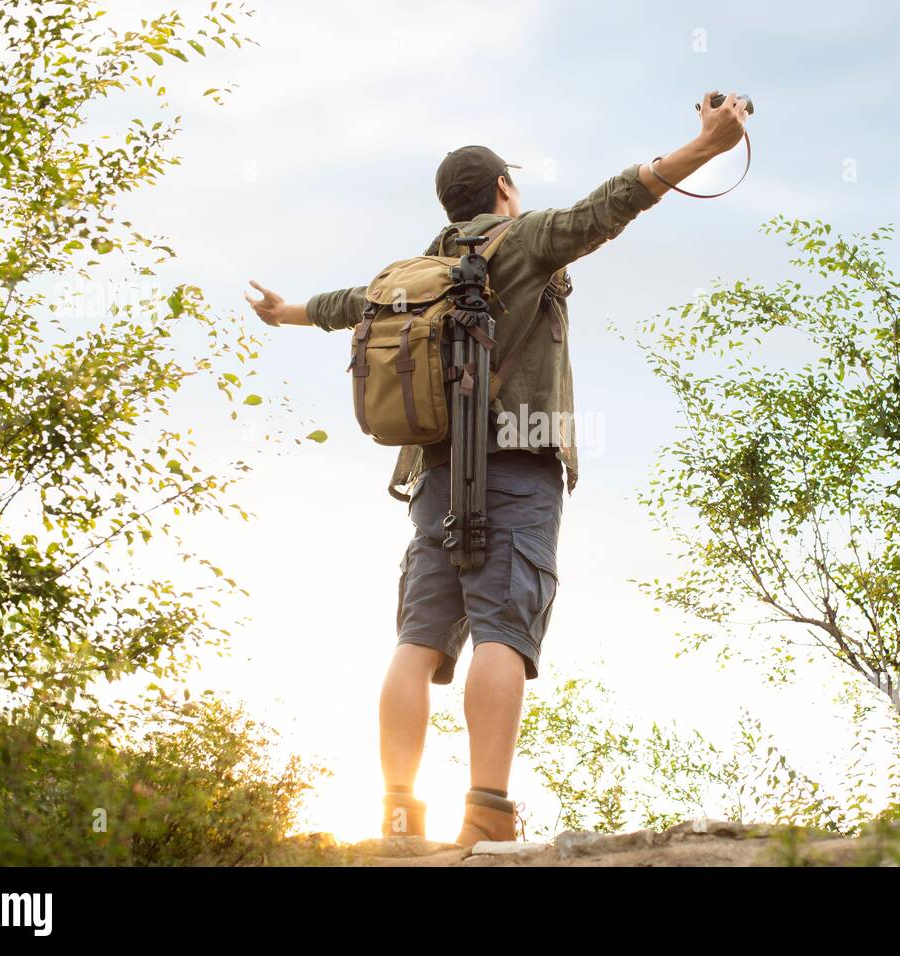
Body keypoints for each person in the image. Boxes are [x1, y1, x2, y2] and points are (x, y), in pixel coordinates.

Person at [245, 91, 751, 846]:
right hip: (519, 463)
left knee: (419, 640)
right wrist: (705, 146)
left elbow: (344, 306)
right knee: (502, 634)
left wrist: (284, 313)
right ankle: (486, 811)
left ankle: (396, 809)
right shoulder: (521, 242)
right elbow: (610, 205)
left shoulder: (410, 279)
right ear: (504, 192)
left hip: (435, 475)